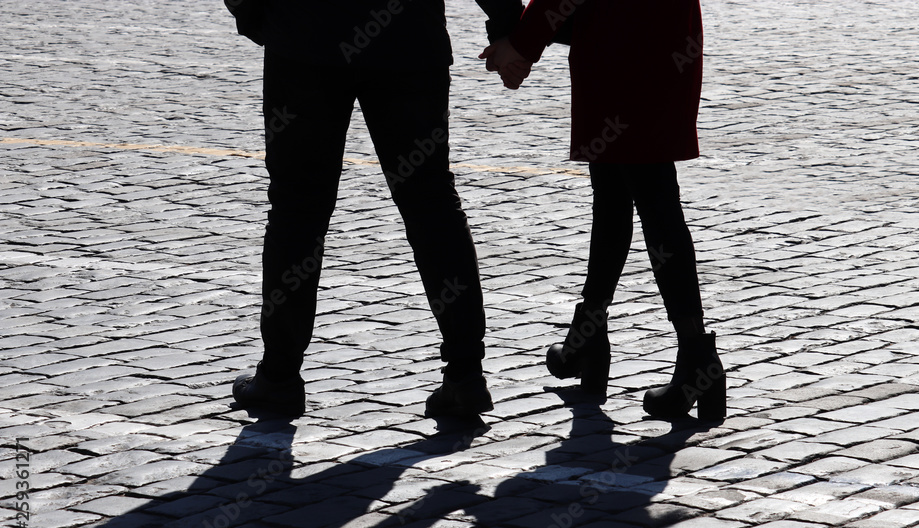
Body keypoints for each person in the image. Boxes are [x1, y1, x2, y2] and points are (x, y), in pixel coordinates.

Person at [224, 0, 524, 417]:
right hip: (406, 39)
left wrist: (259, 14)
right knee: (431, 203)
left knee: (297, 208)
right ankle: (465, 374)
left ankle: (279, 375)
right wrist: (510, 25)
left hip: (306, 37)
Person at [482, 0, 726, 420]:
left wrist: (521, 43)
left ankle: (696, 356)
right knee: (618, 190)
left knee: (651, 197)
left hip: (623, 49)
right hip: (654, 36)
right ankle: (590, 334)